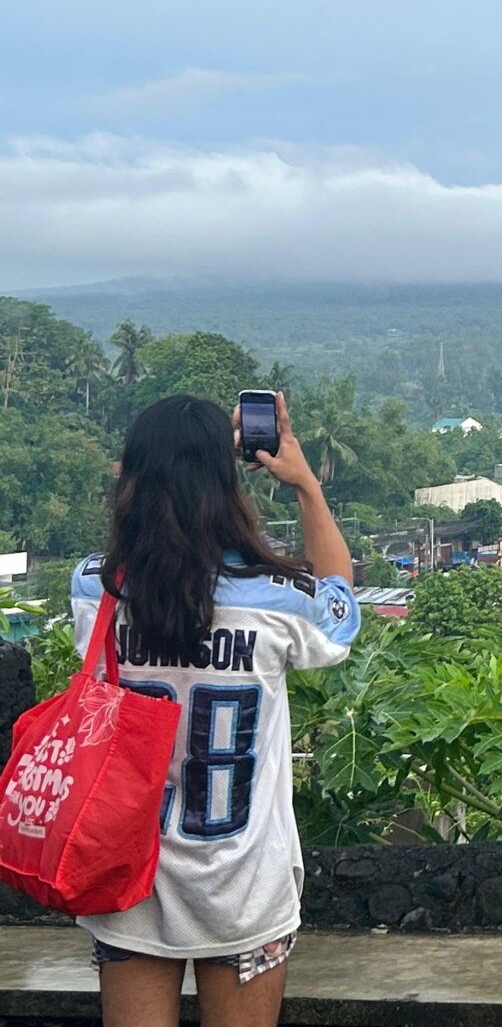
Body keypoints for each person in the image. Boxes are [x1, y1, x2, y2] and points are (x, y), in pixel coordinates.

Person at [71, 393, 358, 1027]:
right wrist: (306, 483)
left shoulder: (93, 592)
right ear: (225, 483)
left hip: (129, 883)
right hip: (244, 886)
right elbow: (339, 603)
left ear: (129, 475)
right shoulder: (280, 602)